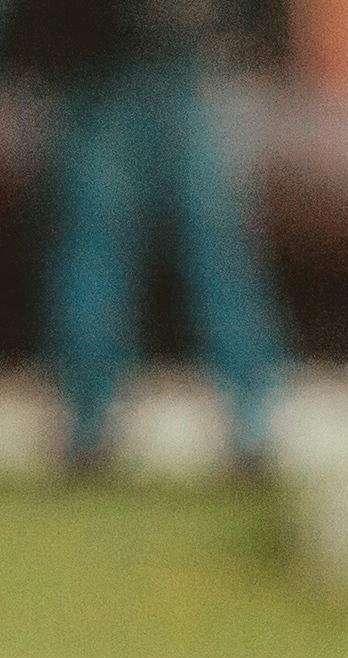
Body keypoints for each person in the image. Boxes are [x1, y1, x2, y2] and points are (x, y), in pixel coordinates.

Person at [6, 0, 289, 478]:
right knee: (203, 255)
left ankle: (91, 427)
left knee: (113, 254)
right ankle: (249, 423)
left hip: (123, 70)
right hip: (144, 69)